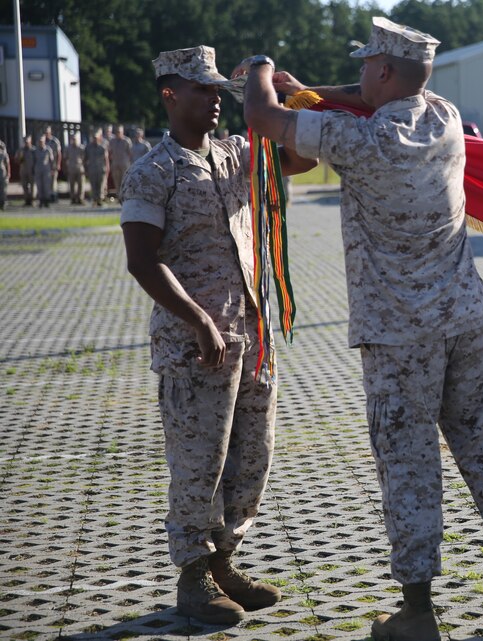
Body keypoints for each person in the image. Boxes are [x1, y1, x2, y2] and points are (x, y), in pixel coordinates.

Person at [239, 17, 483, 641]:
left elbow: (262, 117)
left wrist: (258, 66)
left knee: (409, 467)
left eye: (367, 64)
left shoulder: (358, 140)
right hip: (466, 321)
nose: (359, 73)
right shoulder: (444, 116)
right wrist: (313, 89)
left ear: (385, 72)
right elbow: (360, 98)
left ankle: (418, 614)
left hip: (399, 338)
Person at [120, 45, 315, 626]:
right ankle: (192, 578)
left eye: (218, 91)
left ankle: (224, 561)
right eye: (202, 90)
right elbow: (141, 259)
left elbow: (300, 158)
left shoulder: (235, 154)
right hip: (195, 345)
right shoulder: (152, 170)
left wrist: (292, 98)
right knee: (198, 461)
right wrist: (197, 319)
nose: (214, 101)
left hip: (251, 335)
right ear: (170, 93)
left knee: (252, 455)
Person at [84, 128, 109, 206]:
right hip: (92, 169)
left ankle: (100, 199)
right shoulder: (88, 147)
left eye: (96, 138)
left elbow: (106, 159)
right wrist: (85, 169)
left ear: (99, 138)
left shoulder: (102, 147)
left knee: (101, 185)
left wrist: (107, 168)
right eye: (93, 138)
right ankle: (95, 199)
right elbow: (85, 159)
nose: (95, 139)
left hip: (101, 169)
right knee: (93, 185)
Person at [109, 124, 133, 196]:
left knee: (125, 180)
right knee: (116, 180)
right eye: (116, 132)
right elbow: (110, 152)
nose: (118, 133)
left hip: (124, 164)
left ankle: (125, 194)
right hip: (115, 163)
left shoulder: (127, 141)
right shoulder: (112, 141)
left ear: (122, 132)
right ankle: (118, 194)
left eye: (119, 132)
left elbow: (130, 153)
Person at [33, 135, 55, 207]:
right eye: (39, 142)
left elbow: (51, 160)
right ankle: (41, 200)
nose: (40, 143)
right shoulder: (35, 150)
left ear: (44, 141)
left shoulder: (48, 150)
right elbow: (33, 161)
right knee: (39, 186)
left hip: (46, 170)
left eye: (42, 141)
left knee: (46, 186)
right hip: (38, 170)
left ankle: (47, 200)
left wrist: (52, 169)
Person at [65, 133, 86, 204]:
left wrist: (84, 168)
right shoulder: (68, 148)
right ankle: (73, 198)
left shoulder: (81, 148)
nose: (74, 140)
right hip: (71, 168)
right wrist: (66, 168)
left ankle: (80, 198)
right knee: (72, 185)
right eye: (72, 139)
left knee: (81, 185)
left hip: (80, 168)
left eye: (75, 139)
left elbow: (85, 159)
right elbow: (65, 158)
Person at [43, 126, 62, 202]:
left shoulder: (55, 141)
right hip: (45, 164)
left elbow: (59, 154)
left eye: (47, 132)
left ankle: (54, 196)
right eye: (45, 133)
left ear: (50, 132)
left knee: (53, 181)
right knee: (46, 181)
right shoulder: (42, 141)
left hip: (53, 164)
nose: (46, 134)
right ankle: (47, 196)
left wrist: (58, 164)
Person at [15, 135, 35, 207]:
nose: (26, 143)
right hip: (23, 170)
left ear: (30, 141)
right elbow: (17, 160)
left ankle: (32, 200)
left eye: (28, 141)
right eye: (25, 141)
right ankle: (27, 200)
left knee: (32, 186)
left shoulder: (33, 150)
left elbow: (36, 160)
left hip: (31, 170)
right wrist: (20, 158)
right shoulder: (20, 150)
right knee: (24, 185)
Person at [0, 139, 9, 210]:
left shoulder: (3, 154)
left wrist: (8, 173)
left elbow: (7, 163)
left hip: (2, 172)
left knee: (3, 188)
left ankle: (3, 203)